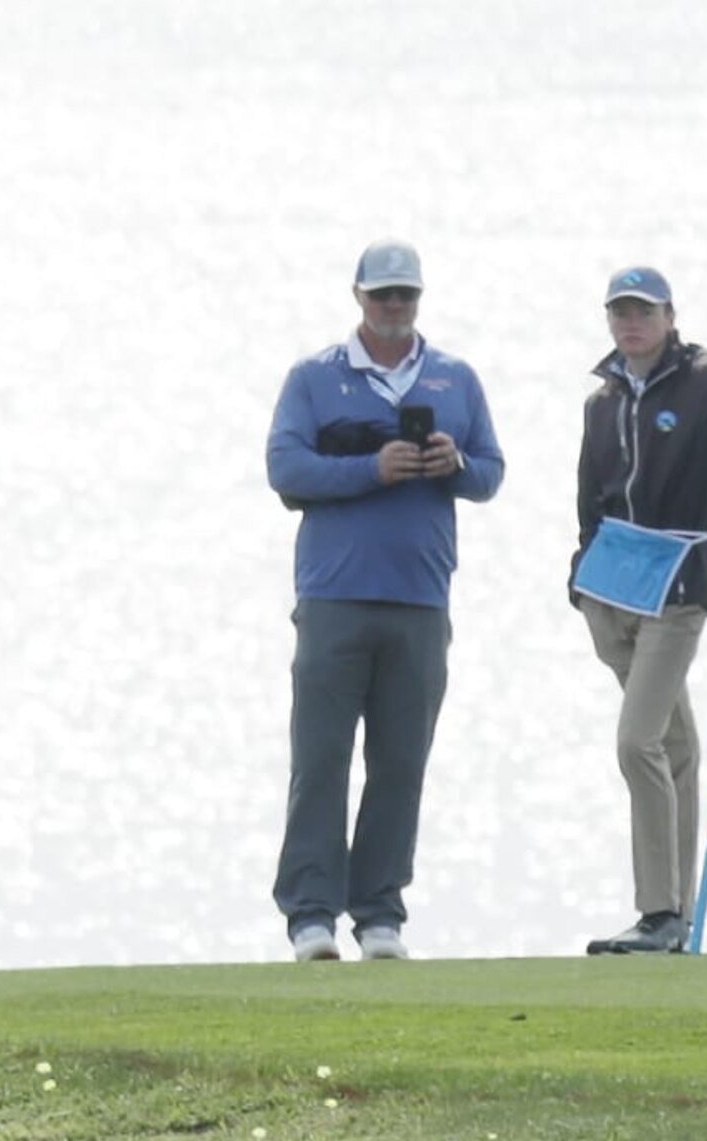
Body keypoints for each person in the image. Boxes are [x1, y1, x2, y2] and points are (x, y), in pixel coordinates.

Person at [264, 240, 506, 963]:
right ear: (360, 298)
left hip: (421, 598)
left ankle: (379, 914)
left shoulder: (455, 378)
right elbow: (286, 468)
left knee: (402, 761)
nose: (394, 309)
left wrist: (452, 464)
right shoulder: (314, 378)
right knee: (322, 757)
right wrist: (374, 467)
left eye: (406, 297)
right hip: (336, 594)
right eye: (383, 297)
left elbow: (490, 472)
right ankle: (311, 913)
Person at [570, 267, 707, 955]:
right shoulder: (602, 401)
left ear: (669, 317)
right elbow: (589, 500)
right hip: (611, 589)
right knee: (679, 748)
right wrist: (578, 581)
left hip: (678, 587)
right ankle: (677, 919)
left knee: (638, 742)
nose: (631, 324)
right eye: (621, 313)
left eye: (644, 313)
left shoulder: (700, 377)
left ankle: (659, 912)